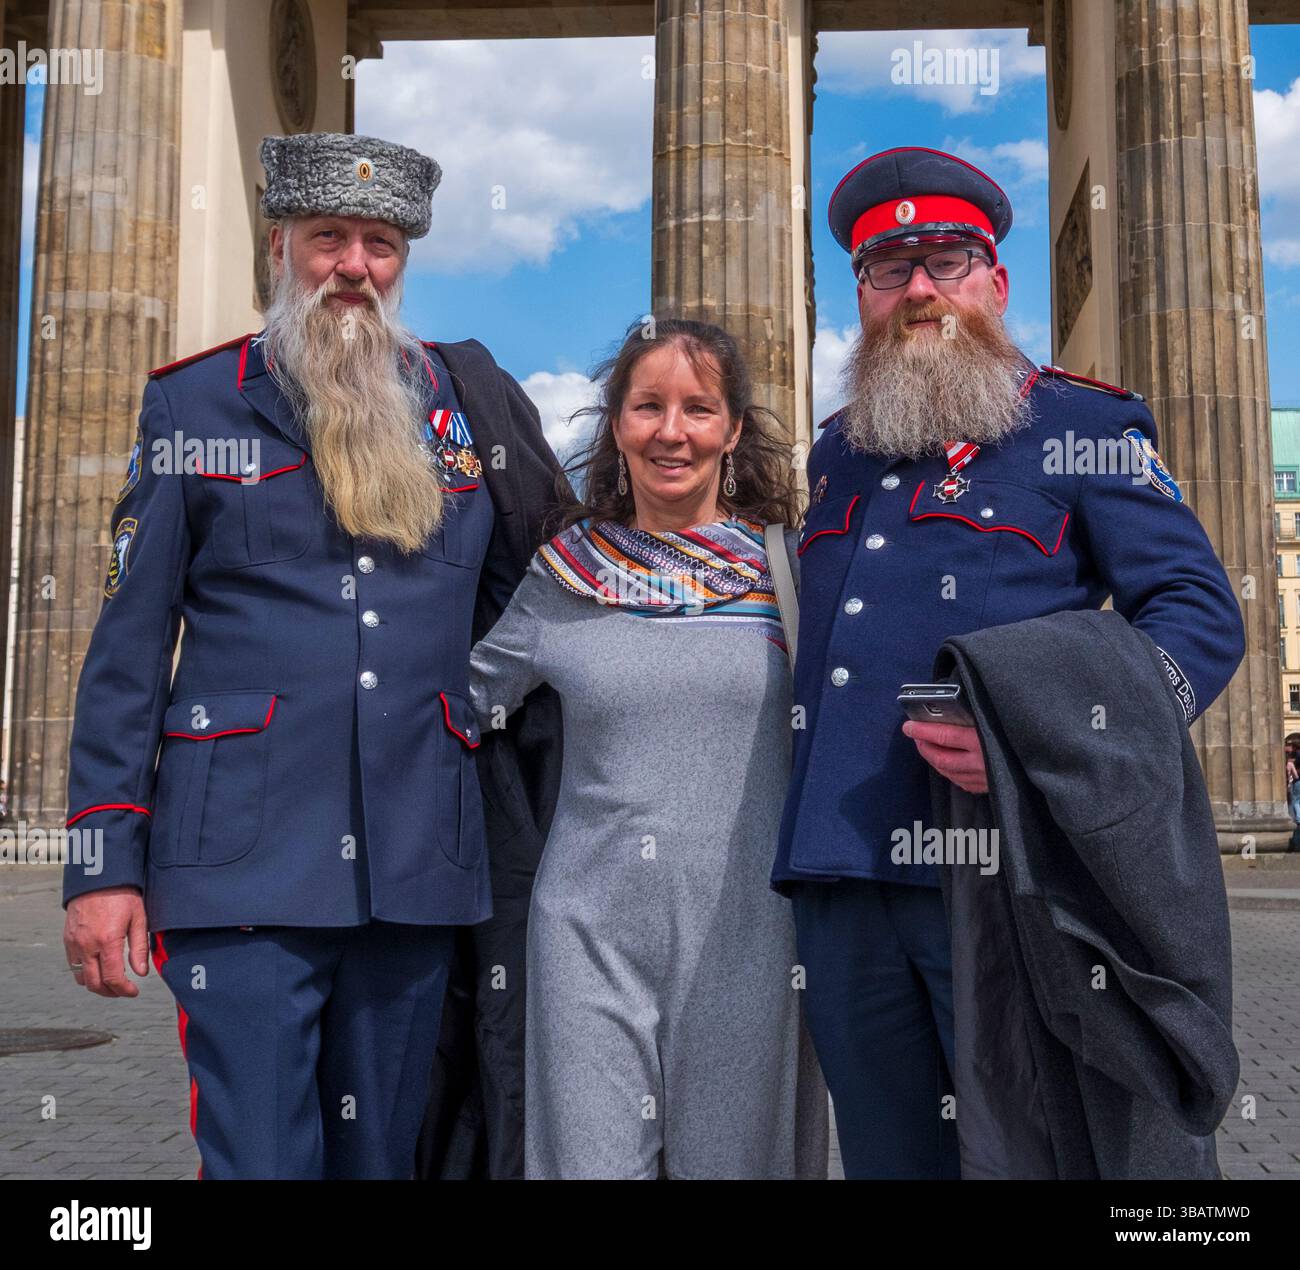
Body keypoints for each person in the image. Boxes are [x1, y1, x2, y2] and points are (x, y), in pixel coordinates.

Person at [60, 132, 564, 1179]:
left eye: (379, 244)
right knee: (260, 1158)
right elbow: (128, 646)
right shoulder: (195, 406)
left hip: (413, 865)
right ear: (280, 245)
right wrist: (102, 862)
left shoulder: (460, 410)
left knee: (382, 1157)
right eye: (328, 237)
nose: (353, 266)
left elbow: (527, 599)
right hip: (239, 864)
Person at [775, 146, 1245, 1179]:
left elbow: (1200, 613)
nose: (920, 290)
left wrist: (1048, 743)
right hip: (841, 878)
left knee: (1030, 1154)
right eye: (889, 269)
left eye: (946, 258)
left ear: (994, 280)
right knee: (892, 1157)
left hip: (991, 868)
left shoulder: (1080, 426)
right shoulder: (838, 452)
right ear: (862, 294)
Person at [468, 319, 828, 1178]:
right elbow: (460, 708)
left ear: (733, 430)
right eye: (649, 406)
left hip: (753, 938)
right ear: (617, 423)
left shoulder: (790, 574)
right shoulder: (561, 575)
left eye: (699, 408)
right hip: (586, 935)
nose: (673, 430)